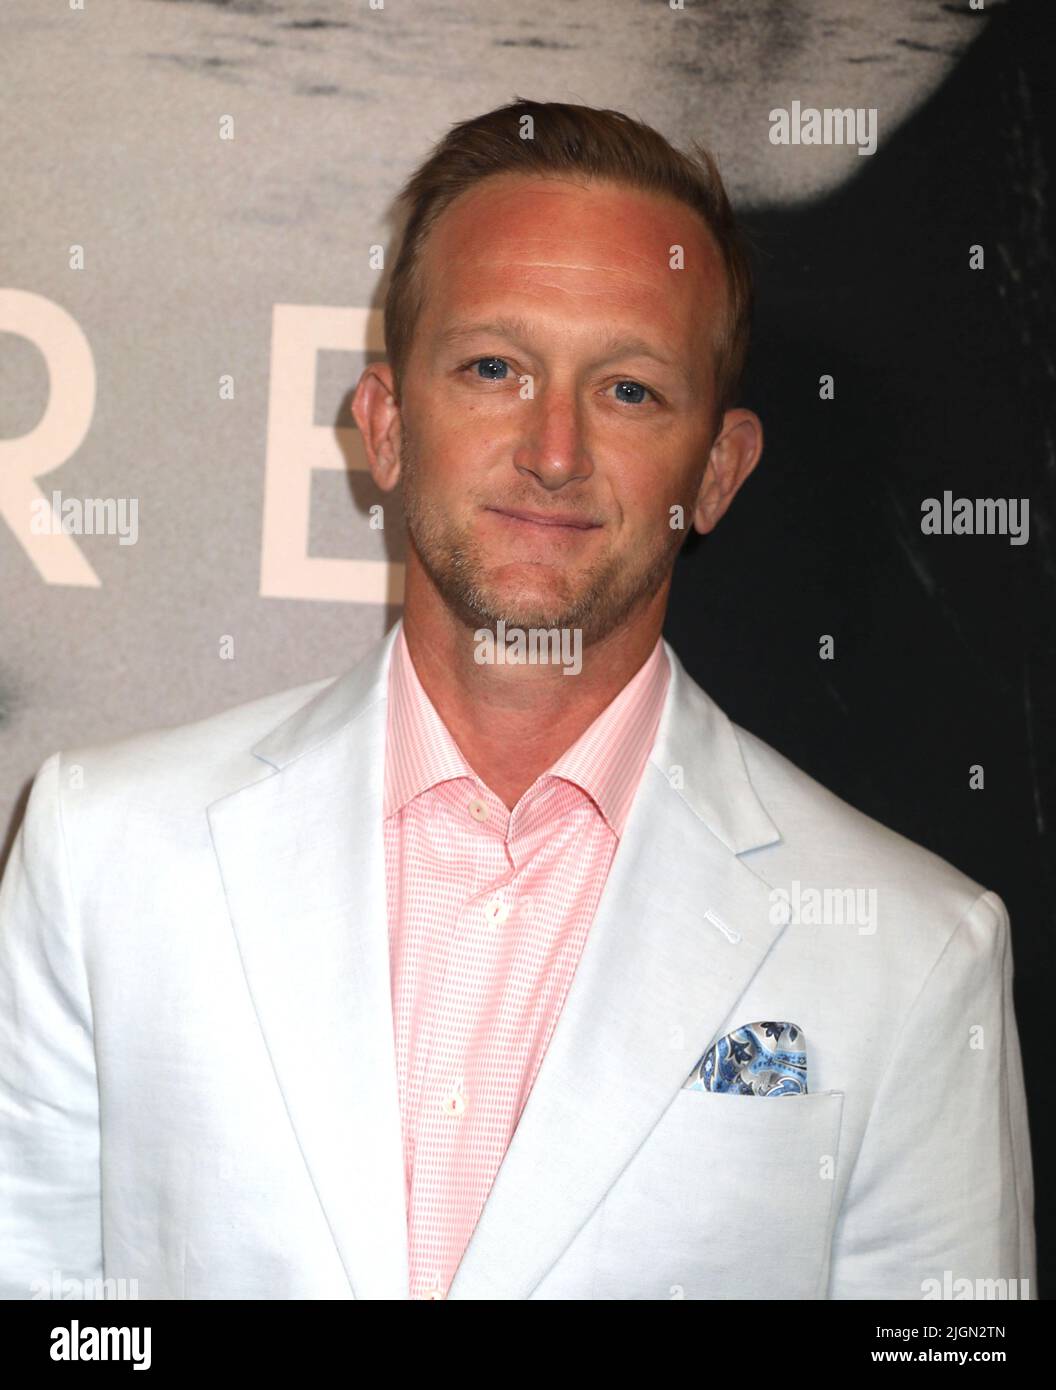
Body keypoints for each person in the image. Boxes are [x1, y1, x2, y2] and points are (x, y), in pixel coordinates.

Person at [0, 99, 1035, 1301]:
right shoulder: (105, 855)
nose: (553, 449)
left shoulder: (912, 954)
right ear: (386, 426)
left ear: (717, 469)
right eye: (494, 367)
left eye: (630, 390)